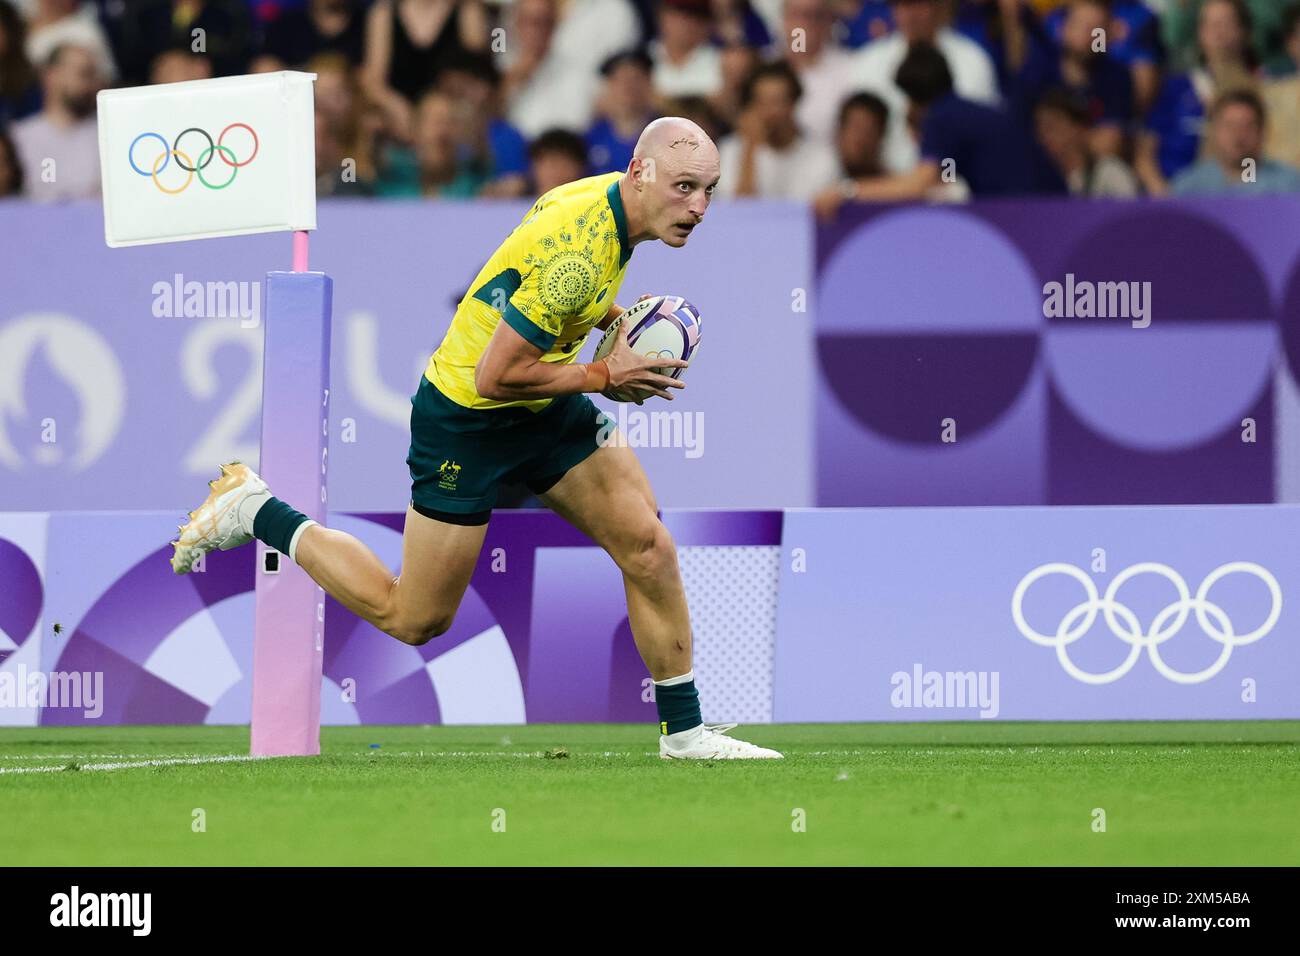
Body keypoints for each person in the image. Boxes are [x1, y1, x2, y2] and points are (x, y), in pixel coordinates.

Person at [170, 117, 783, 761]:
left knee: (649, 547)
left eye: (708, 190)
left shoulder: (606, 202)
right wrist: (606, 373)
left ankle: (684, 733)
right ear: (641, 173)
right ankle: (255, 507)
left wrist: (615, 320)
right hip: (469, 416)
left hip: (544, 405)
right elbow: (497, 375)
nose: (700, 207)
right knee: (415, 618)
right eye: (686, 187)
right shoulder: (581, 252)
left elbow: (532, 278)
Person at [846, 41, 1032, 201]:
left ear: (914, 98)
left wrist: (849, 191)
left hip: (1029, 205)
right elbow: (947, 180)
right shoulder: (959, 117)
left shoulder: (942, 118)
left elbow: (918, 185)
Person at [848, 0, 999, 172]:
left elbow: (983, 137)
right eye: (903, 5)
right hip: (882, 185)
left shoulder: (973, 60)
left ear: (939, 7)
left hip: (956, 185)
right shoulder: (866, 63)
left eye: (920, 4)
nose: (912, 14)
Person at [715, 60, 838, 198]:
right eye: (762, 102)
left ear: (794, 104)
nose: (770, 113)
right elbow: (738, 211)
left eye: (778, 102)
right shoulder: (729, 152)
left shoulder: (821, 157)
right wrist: (749, 149)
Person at [10, 43, 100, 201]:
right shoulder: (18, 138)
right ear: (51, 75)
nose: (91, 85)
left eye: (94, 76)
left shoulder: (105, 135)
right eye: (83, 74)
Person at [1170, 88, 1300, 195]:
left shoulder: (1290, 184)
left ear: (1262, 132)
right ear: (1214, 130)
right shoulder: (1189, 188)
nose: (1238, 135)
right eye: (1229, 126)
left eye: (1247, 126)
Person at [1034, 86, 1140, 196]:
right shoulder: (1044, 179)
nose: (1044, 136)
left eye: (1052, 127)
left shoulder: (1109, 172)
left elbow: (1131, 211)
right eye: (1039, 128)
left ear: (1079, 128)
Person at [812, 90, 890, 219]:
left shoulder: (895, 187)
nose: (860, 139)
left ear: (881, 135)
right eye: (855, 127)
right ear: (839, 132)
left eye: (868, 130)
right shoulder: (815, 181)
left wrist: (846, 192)